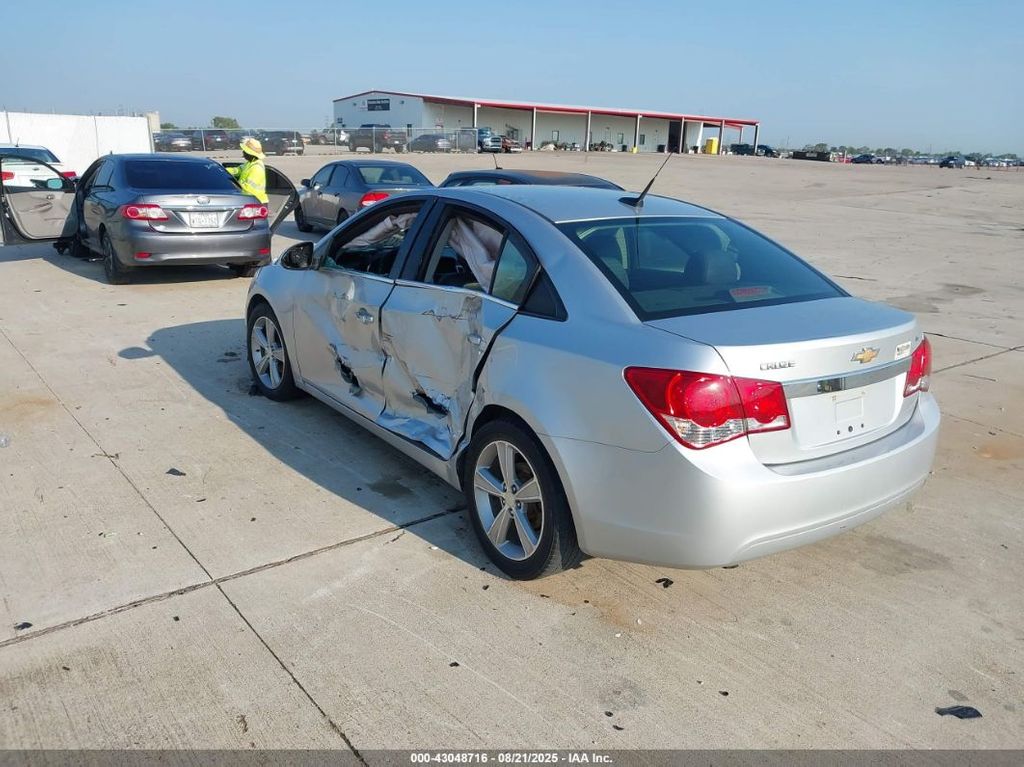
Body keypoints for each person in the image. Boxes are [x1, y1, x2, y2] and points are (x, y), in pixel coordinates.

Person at [225, 137, 268, 204]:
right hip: (250, 200)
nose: (243, 152)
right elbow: (237, 170)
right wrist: (222, 170)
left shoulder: (256, 168)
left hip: (257, 202)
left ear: (250, 153)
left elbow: (248, 189)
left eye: (245, 151)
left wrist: (233, 185)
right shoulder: (249, 163)